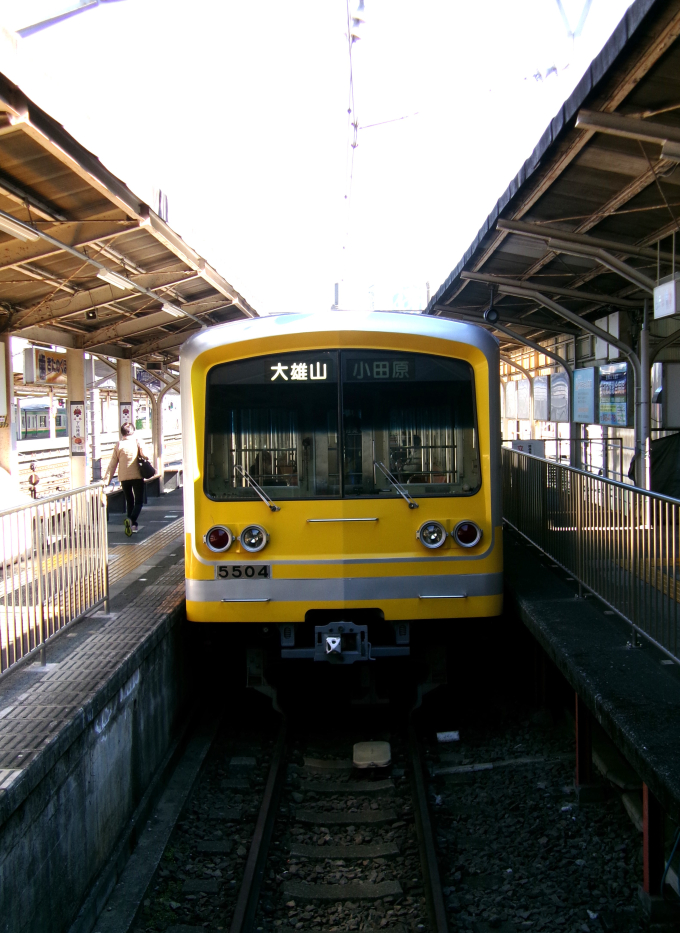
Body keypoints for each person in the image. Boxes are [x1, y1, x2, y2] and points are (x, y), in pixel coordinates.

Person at [104, 423, 147, 536]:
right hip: (137, 476)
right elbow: (145, 455)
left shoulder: (119, 445)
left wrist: (106, 481)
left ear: (122, 433)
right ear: (133, 432)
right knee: (139, 501)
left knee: (129, 500)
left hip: (123, 478)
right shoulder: (137, 442)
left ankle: (132, 525)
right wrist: (141, 445)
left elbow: (112, 464)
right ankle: (132, 520)